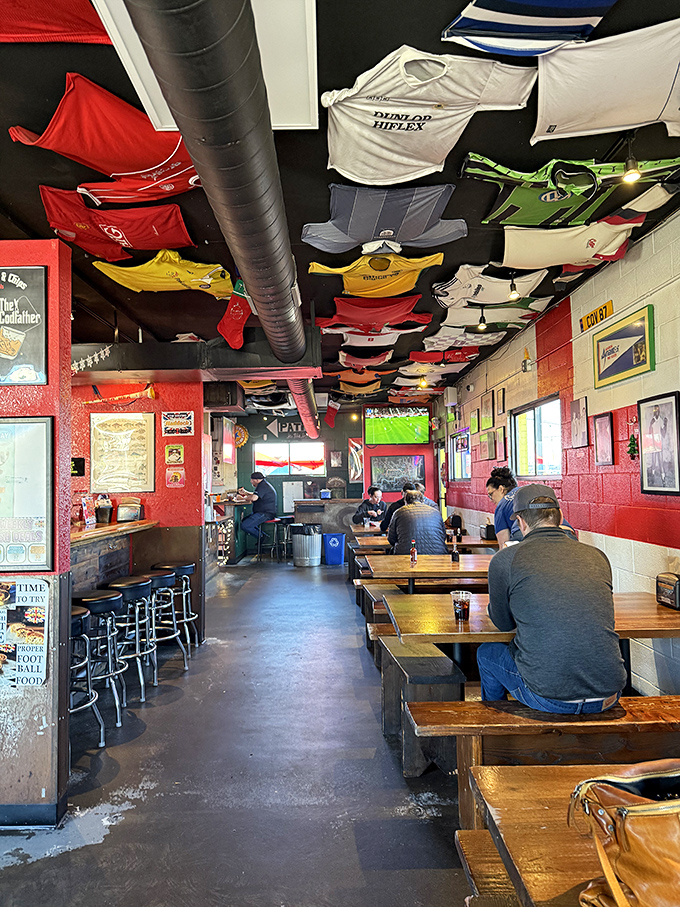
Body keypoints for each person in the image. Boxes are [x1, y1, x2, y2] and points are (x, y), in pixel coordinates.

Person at [476, 484, 626, 714]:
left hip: (548, 696)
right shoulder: (597, 556)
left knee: (487, 653)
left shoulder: (505, 560)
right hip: (609, 693)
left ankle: (495, 728)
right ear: (560, 517)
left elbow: (503, 624)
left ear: (521, 522)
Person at [387, 490, 448, 554]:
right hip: (438, 554)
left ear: (405, 501)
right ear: (422, 501)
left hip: (407, 554)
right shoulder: (436, 512)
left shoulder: (398, 513)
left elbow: (391, 539)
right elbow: (443, 536)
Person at [238, 471, 278, 540]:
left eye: (252, 480)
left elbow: (254, 498)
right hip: (264, 512)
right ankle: (262, 536)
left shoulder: (262, 486)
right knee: (245, 521)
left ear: (257, 480)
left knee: (245, 525)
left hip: (265, 513)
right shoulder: (264, 484)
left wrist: (242, 498)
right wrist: (245, 493)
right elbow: (256, 495)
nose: (251, 482)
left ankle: (262, 537)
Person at [486, 466, 519, 548]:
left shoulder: (502, 507)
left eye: (491, 494)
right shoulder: (523, 492)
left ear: (501, 489)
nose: (491, 500)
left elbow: (504, 546)